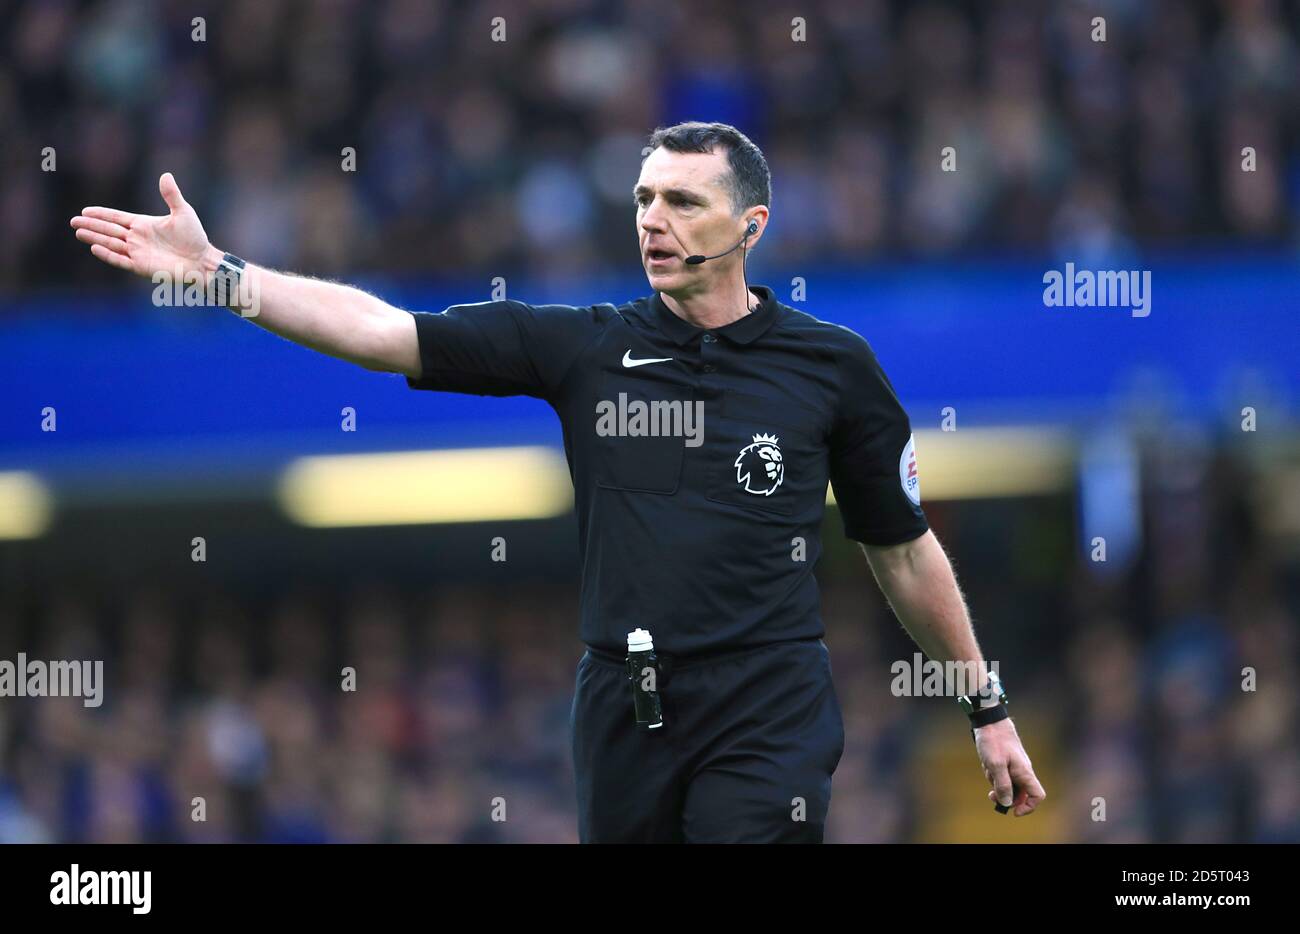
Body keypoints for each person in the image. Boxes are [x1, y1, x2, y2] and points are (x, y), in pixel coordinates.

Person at [69, 120, 1045, 843]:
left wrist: (984, 705)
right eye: (643, 200)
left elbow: (903, 548)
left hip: (768, 699)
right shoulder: (584, 349)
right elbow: (380, 329)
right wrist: (222, 273)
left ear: (750, 224)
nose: (653, 221)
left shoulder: (833, 368)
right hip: (623, 704)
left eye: (682, 202)